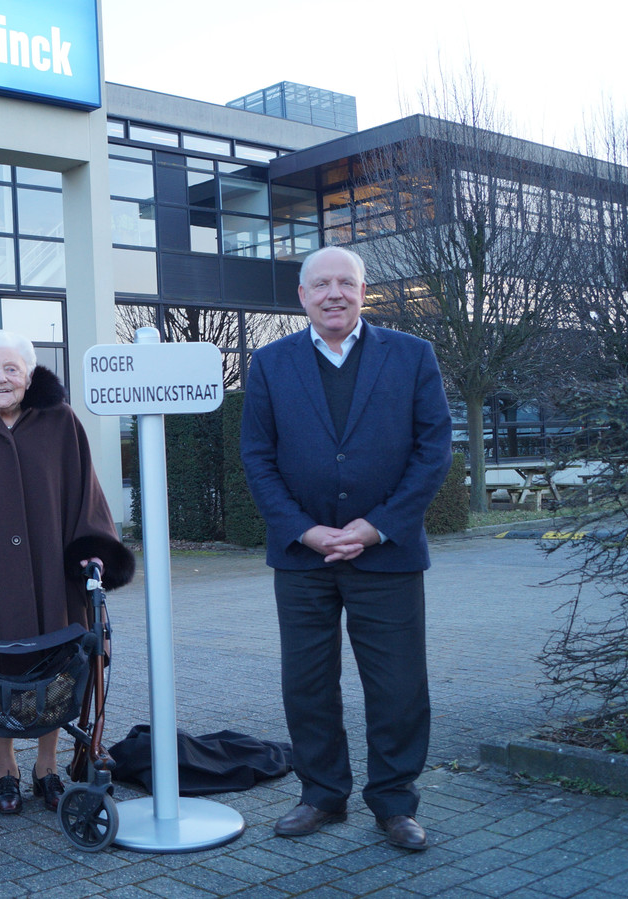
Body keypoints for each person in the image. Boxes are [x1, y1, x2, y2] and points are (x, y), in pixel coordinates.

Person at [239, 245, 452, 852]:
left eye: (346, 283)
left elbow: (433, 449)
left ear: (364, 292)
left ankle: (394, 802)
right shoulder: (271, 363)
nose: (334, 293)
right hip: (302, 556)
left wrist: (378, 525)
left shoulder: (413, 357)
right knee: (307, 683)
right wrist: (303, 530)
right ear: (301, 296)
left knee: (398, 685)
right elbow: (257, 456)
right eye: (320, 284)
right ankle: (322, 795)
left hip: (387, 553)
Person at [0, 330, 135, 815]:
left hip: (51, 572)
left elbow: (87, 492)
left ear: (29, 374)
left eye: (10, 369)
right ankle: (6, 771)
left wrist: (94, 549)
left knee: (55, 667)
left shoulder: (60, 421)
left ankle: (48, 768)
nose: (0, 380)